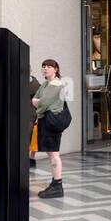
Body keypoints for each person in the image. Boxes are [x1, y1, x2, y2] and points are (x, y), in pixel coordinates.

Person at [33, 59, 70, 199]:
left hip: (51, 123)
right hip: (46, 121)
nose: (45, 69)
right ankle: (55, 184)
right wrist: (38, 103)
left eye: (49, 66)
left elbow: (41, 104)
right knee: (52, 154)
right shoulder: (45, 84)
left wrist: (39, 104)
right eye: (43, 66)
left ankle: (57, 185)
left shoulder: (56, 84)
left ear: (56, 69)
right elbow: (35, 99)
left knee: (54, 154)